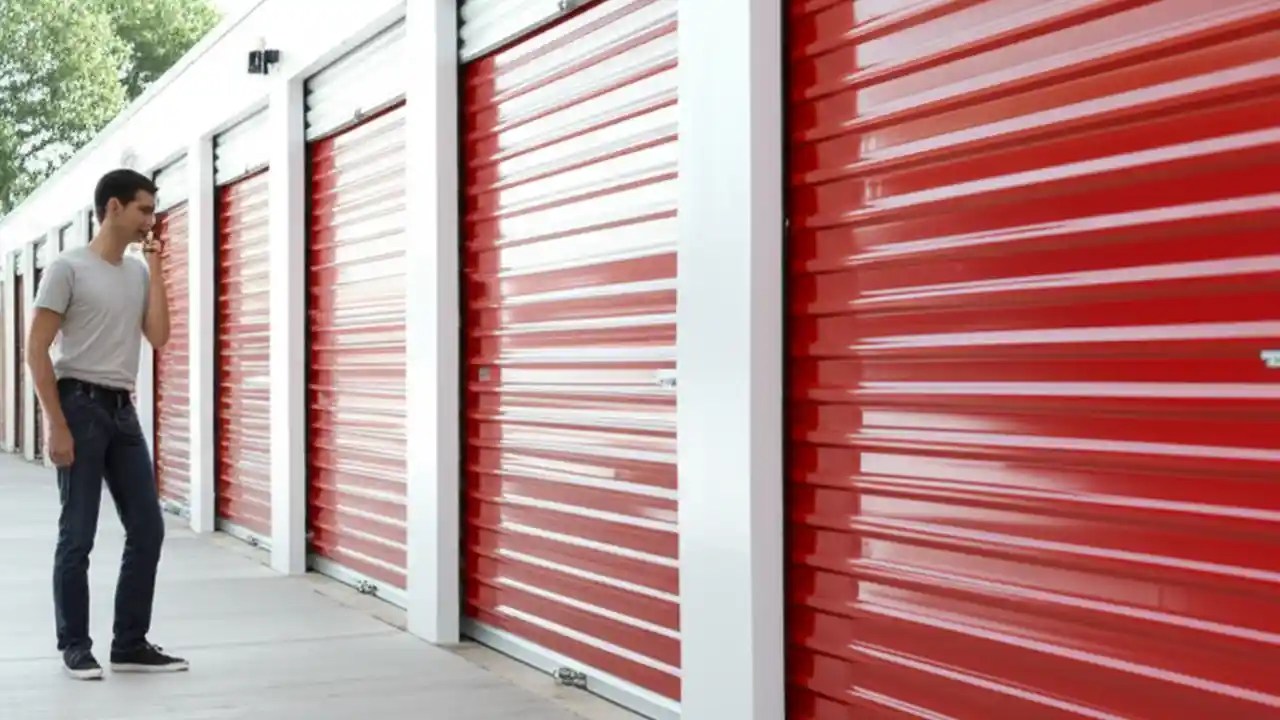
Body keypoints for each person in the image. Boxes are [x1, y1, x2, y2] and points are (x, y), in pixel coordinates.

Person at [26, 168, 188, 680]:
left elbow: (158, 337)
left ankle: (130, 643)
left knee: (148, 527)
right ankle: (75, 645)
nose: (150, 219)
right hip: (79, 404)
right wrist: (55, 423)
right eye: (143, 208)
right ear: (113, 208)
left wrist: (157, 267)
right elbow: (35, 351)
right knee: (78, 535)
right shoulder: (67, 268)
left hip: (122, 410)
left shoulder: (138, 272)